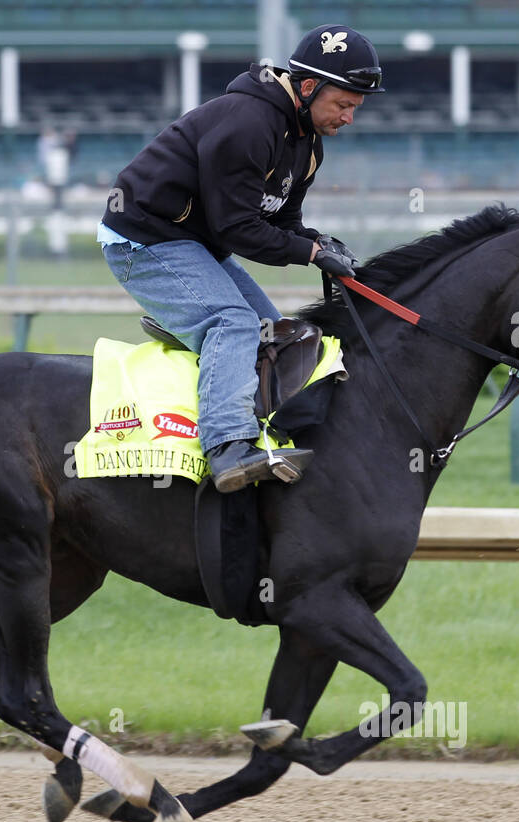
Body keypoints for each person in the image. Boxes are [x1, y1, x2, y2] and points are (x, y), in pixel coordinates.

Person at [98, 24, 382, 492]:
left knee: (275, 337)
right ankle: (228, 448)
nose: (349, 117)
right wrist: (308, 253)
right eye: (344, 104)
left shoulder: (308, 144)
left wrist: (319, 242)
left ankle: (262, 431)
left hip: (195, 244)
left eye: (356, 107)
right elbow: (240, 230)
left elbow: (281, 221)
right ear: (308, 87)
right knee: (233, 323)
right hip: (143, 239)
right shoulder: (248, 123)